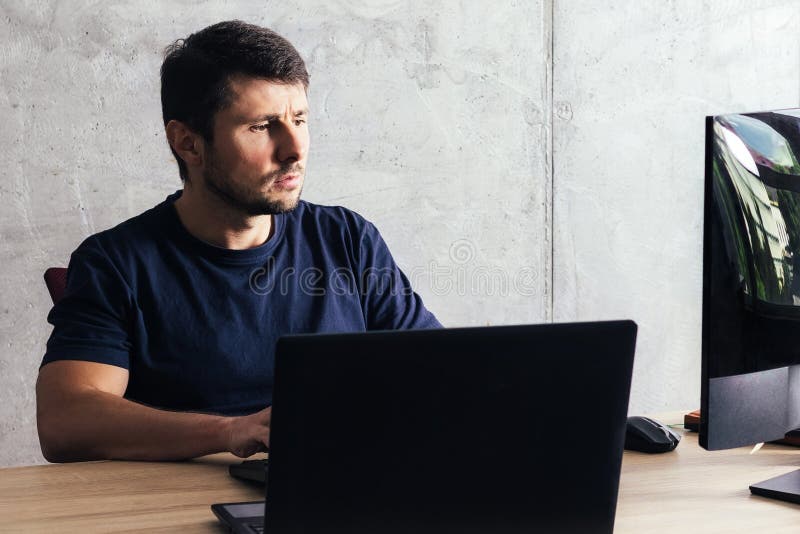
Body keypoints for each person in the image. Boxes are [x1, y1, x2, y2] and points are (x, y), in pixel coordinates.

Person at [36, 21, 441, 463]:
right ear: (188, 143)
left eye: (300, 120)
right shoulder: (116, 263)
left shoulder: (347, 238)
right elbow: (65, 420)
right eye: (263, 126)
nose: (294, 149)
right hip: (178, 507)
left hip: (339, 494)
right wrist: (231, 431)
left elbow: (440, 374)